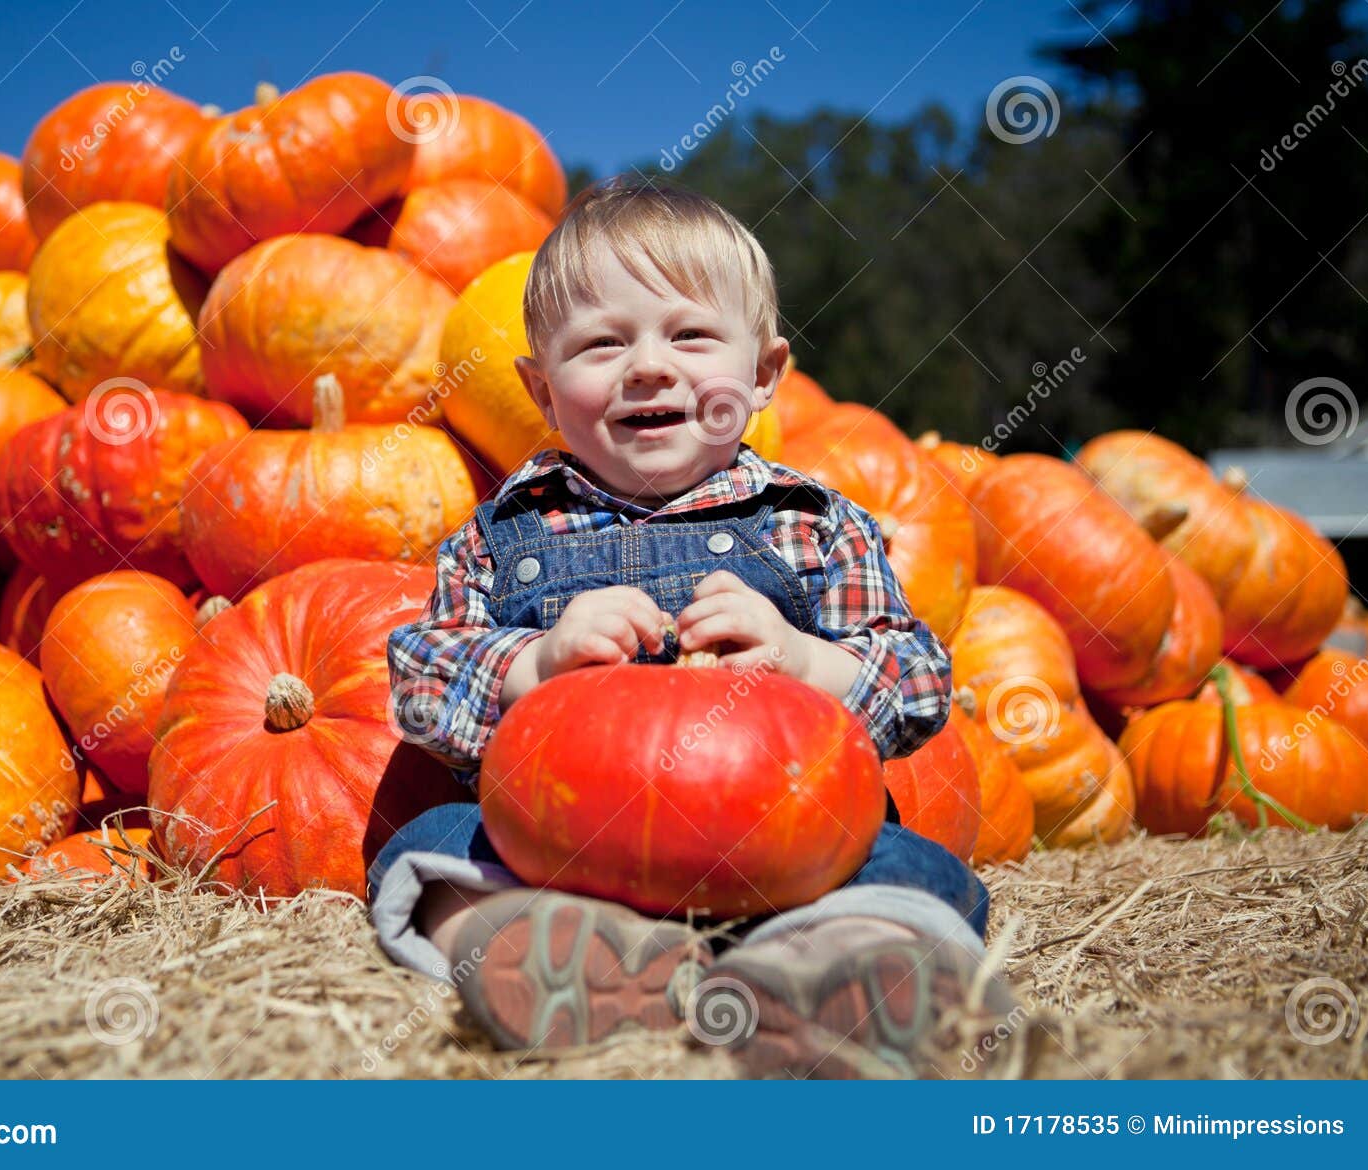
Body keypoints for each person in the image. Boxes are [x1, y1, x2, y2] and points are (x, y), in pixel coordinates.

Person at [372, 179, 1012, 1077]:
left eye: (690, 336)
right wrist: (536, 663)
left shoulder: (812, 525)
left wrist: (801, 660)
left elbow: (917, 679)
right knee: (425, 847)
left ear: (762, 376)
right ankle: (544, 951)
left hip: (787, 853)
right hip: (563, 855)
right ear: (542, 392)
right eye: (601, 344)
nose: (647, 366)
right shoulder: (500, 534)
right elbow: (419, 680)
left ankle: (818, 970)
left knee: (905, 862)